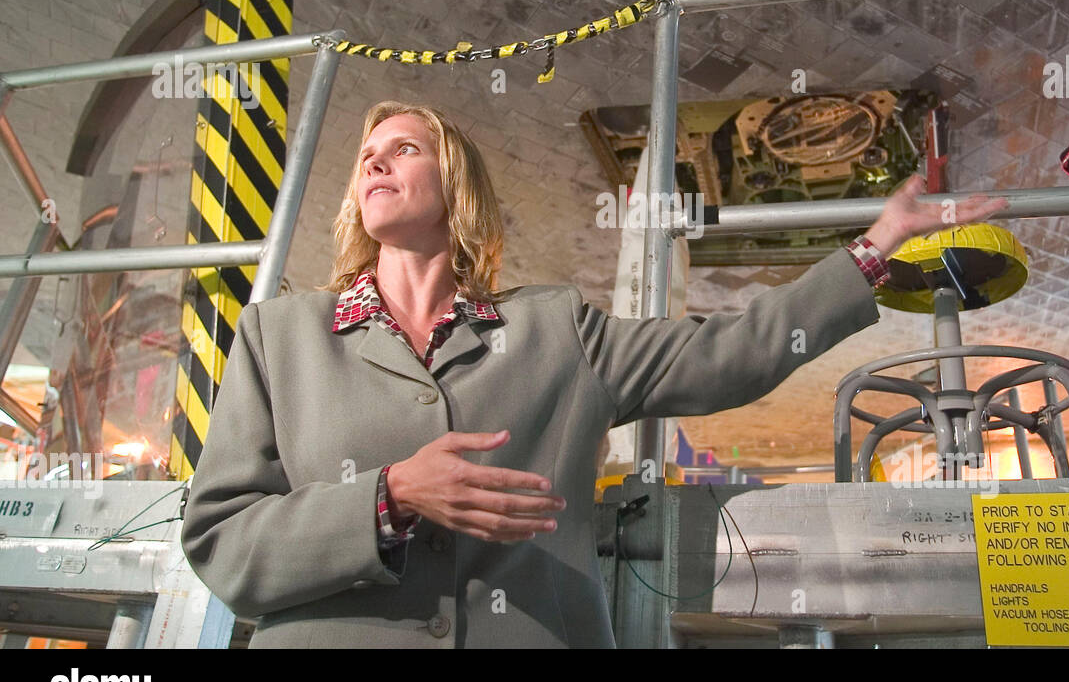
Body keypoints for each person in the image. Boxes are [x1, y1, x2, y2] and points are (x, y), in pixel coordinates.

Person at [180, 100, 1007, 647]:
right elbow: (222, 540)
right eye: (366, 155)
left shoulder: (553, 330)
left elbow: (728, 353)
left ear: (455, 182)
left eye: (403, 148)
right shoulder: (280, 335)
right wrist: (388, 496)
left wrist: (874, 247)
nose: (374, 164)